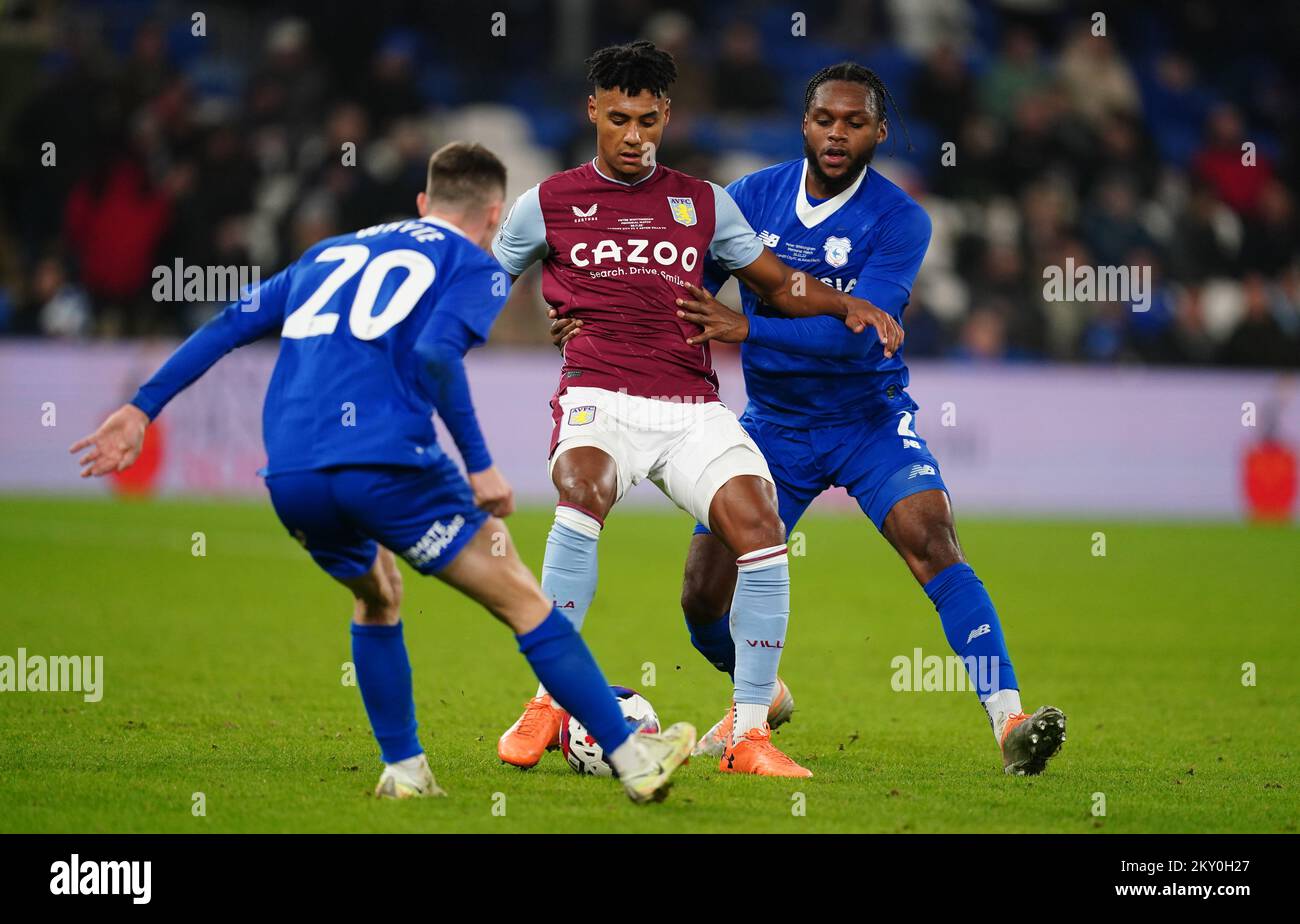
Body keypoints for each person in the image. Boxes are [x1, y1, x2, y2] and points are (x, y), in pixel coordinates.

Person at [70, 141, 696, 803]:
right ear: (492, 214)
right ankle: (633, 757)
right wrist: (480, 467)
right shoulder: (475, 266)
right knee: (523, 600)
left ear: (423, 202)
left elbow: (230, 323)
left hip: (292, 474)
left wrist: (141, 409)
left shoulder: (327, 254)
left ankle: (404, 771)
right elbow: (435, 356)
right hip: (388, 465)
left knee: (377, 594)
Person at [557, 63, 1067, 776]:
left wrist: (746, 329)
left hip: (868, 418)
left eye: (855, 122)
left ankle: (1009, 718)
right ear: (804, 122)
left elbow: (853, 333)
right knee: (702, 597)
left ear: (879, 133)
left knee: (932, 538)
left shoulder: (900, 219)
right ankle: (758, 700)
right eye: (825, 118)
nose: (837, 133)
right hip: (774, 426)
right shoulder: (749, 198)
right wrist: (596, 322)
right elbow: (683, 297)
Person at [492, 41, 901, 779]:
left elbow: (779, 285)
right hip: (598, 395)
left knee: (761, 527)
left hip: (689, 404)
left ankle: (749, 737)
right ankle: (549, 699)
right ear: (593, 111)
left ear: (667, 116)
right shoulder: (546, 202)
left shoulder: (704, 202)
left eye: (648, 120)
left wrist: (850, 302)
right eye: (618, 119)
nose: (633, 137)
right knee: (582, 489)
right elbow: (484, 288)